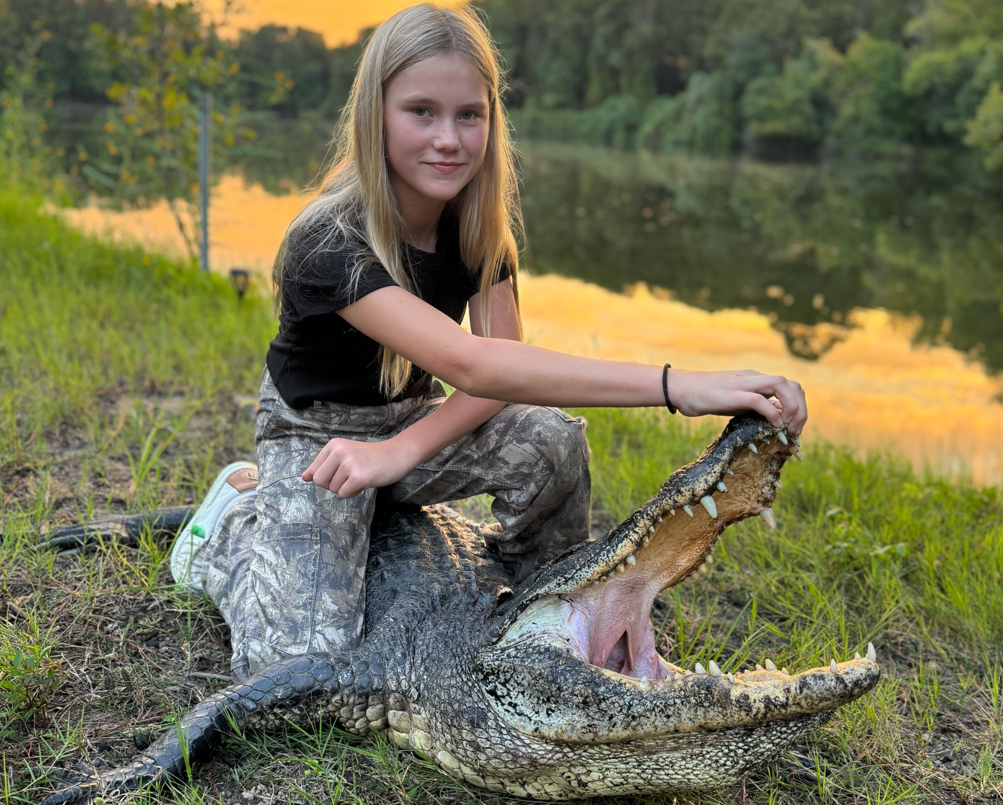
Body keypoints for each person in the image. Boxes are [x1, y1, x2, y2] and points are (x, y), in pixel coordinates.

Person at [169, 3, 807, 682]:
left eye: (467, 115)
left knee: (550, 438)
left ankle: (542, 595)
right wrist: (679, 386)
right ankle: (235, 523)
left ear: (490, 121)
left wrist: (400, 449)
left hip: (406, 424)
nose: (448, 138)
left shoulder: (475, 231)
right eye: (421, 111)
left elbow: (502, 373)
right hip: (315, 438)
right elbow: (467, 361)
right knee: (296, 663)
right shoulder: (326, 240)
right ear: (374, 114)